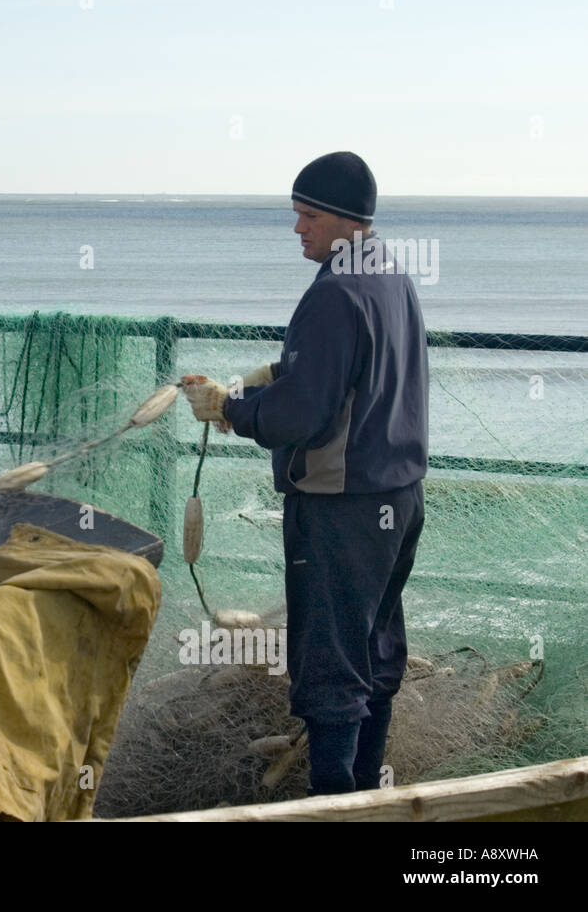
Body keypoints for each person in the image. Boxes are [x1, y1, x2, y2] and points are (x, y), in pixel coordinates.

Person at [181, 152, 429, 796]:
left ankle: (333, 804)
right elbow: (348, 376)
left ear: (347, 220)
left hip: (341, 506)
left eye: (309, 215)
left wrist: (231, 409)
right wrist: (268, 379)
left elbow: (303, 415)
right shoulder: (389, 274)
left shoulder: (334, 293)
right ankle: (370, 791)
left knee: (329, 666)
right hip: (398, 499)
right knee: (373, 651)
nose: (298, 229)